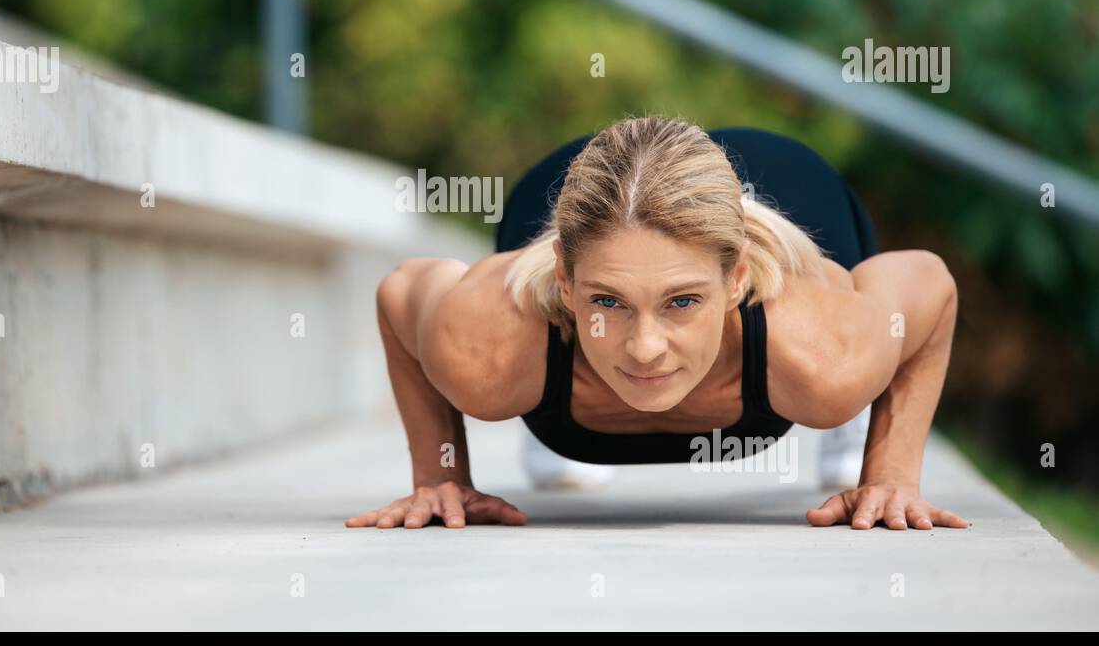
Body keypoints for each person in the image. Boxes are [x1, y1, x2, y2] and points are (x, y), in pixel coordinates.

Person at [348, 115, 969, 532]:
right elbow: (399, 291)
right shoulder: (487, 344)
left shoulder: (824, 351)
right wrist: (440, 477)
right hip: (581, 195)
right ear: (565, 283)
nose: (644, 350)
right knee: (503, 368)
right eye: (608, 303)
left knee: (841, 386)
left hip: (788, 185)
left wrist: (889, 472)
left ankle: (684, 292)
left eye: (682, 302)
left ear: (736, 281)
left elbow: (931, 284)